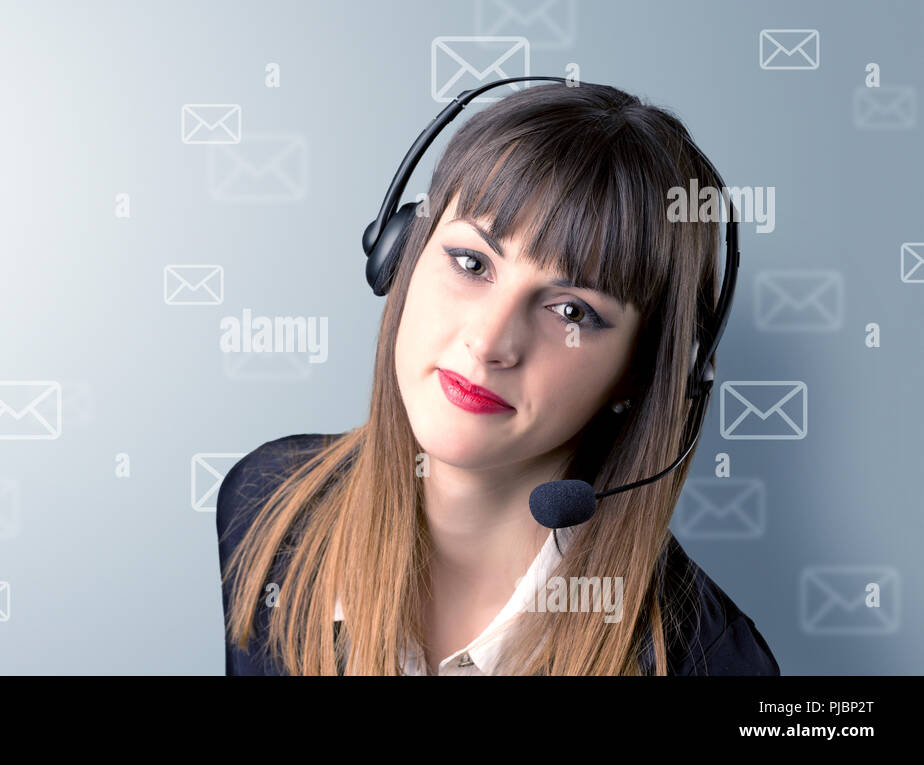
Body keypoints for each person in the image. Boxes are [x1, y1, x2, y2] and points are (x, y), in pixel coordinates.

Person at [216, 82, 781, 676]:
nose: (488, 343)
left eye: (571, 311)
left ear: (640, 372)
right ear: (399, 254)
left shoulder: (711, 663)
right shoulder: (267, 505)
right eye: (471, 263)